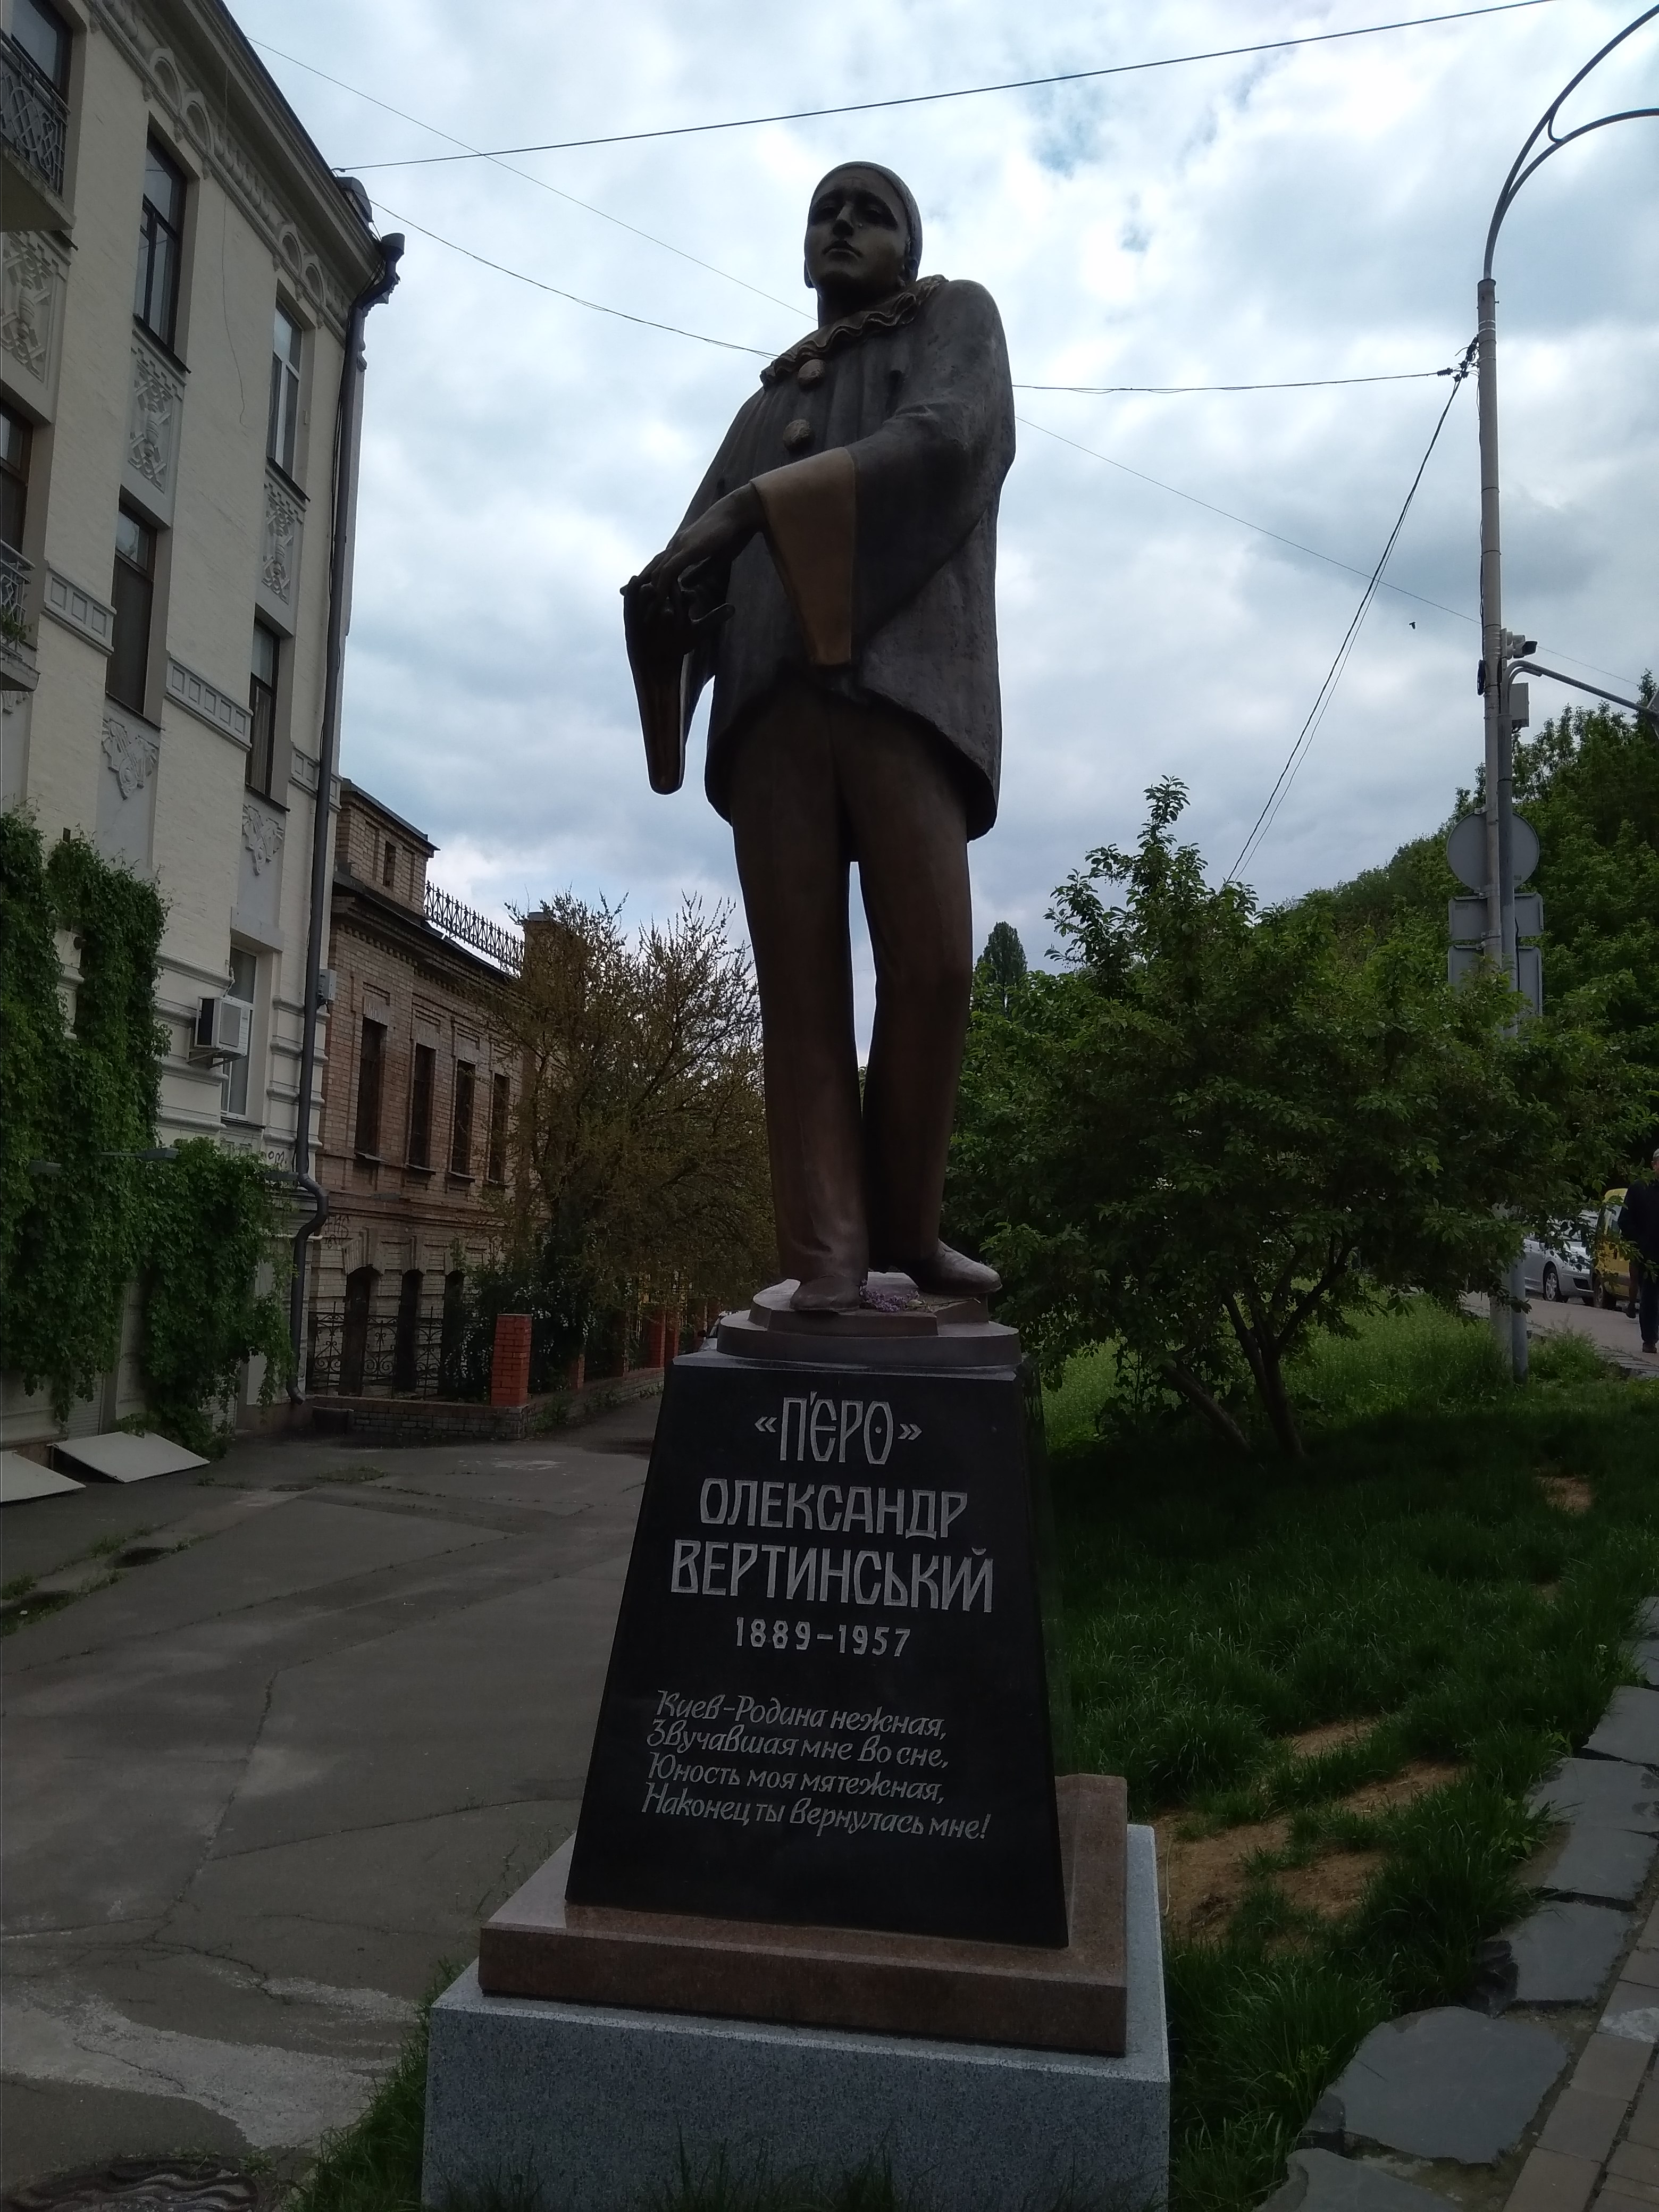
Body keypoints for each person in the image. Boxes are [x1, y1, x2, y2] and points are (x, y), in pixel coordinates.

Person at [622, 163, 1015, 1314]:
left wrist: (760, 510)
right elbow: (693, 549)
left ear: (911, 240)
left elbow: (954, 442)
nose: (841, 225)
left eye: (870, 211)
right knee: (799, 991)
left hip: (900, 686)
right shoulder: (762, 408)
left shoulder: (957, 319)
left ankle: (908, 1232)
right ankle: (829, 1258)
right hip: (772, 704)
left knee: (937, 968)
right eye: (823, 213)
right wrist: (663, 605)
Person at [1618, 1149, 1659, 1355]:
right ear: (1654, 1165)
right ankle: (1650, 1339)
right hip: (1647, 1255)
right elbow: (1624, 1221)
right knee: (1650, 1297)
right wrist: (1639, 1245)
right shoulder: (1639, 1189)